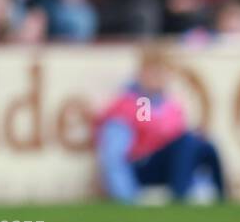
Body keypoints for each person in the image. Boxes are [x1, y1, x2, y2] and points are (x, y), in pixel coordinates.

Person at [95, 45, 224, 204]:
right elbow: (114, 158)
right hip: (142, 167)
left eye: (162, 72)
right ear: (141, 74)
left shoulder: (171, 105)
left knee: (205, 145)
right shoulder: (126, 105)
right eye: (153, 72)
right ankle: (181, 196)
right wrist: (128, 198)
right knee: (187, 142)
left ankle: (219, 197)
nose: (158, 77)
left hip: (167, 165)